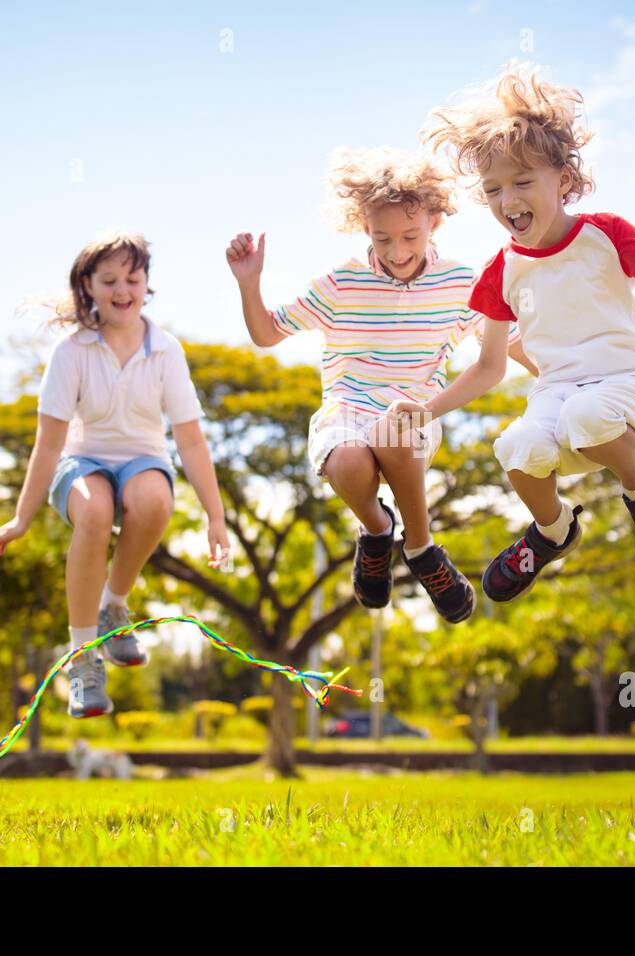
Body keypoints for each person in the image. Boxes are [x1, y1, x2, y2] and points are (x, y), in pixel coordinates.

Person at [391, 64, 635, 601]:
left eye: (523, 182)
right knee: (516, 445)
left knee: (588, 413)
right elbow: (489, 366)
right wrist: (426, 409)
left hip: (630, 394)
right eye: (494, 189)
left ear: (565, 180)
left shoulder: (606, 234)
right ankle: (553, 531)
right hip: (560, 405)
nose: (508, 201)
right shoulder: (499, 272)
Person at [226, 147, 537, 624]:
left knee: (393, 427)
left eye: (410, 235)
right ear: (363, 227)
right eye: (382, 237)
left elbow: (510, 349)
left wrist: (571, 379)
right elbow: (268, 333)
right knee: (349, 461)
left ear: (435, 221)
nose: (397, 251)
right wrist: (250, 282)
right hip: (346, 411)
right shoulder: (340, 283)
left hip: (416, 414)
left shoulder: (460, 282)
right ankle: (376, 531)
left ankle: (420, 546)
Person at [0, 231, 230, 717]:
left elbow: (190, 440)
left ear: (146, 285)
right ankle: (84, 661)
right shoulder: (71, 351)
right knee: (95, 510)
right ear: (88, 286)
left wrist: (216, 518)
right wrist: (21, 520)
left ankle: (113, 605)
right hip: (83, 461)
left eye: (133, 278)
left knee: (155, 501)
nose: (123, 290)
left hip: (144, 458)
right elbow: (50, 442)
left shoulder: (165, 351)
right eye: (110, 280)